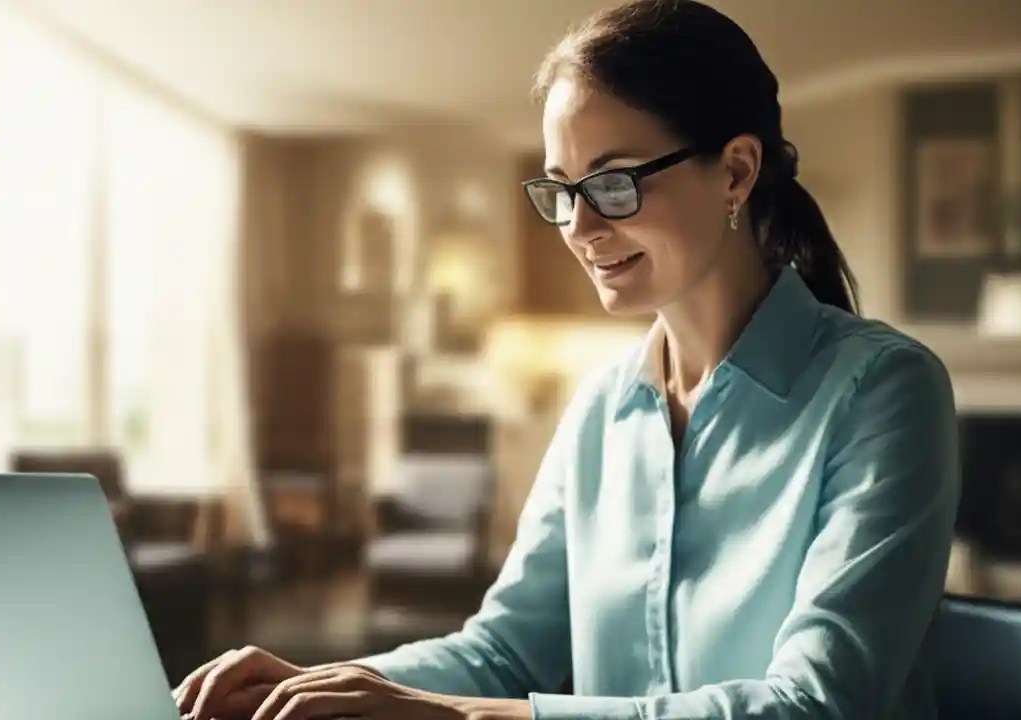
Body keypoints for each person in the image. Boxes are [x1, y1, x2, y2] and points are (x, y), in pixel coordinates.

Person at [174, 1, 960, 717]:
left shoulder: (883, 391)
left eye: (614, 183)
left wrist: (474, 719)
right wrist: (316, 686)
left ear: (736, 170)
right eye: (561, 189)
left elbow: (816, 706)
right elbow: (505, 653)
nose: (580, 227)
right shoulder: (601, 410)